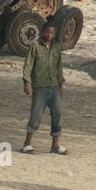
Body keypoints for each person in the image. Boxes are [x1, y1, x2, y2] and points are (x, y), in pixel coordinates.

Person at [21, 22, 67, 155]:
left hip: (54, 86)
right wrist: (27, 82)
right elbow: (28, 65)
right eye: (47, 32)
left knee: (57, 114)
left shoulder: (56, 48)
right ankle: (27, 143)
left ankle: (55, 146)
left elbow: (59, 67)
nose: (49, 35)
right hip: (40, 86)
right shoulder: (35, 47)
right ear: (42, 32)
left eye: (51, 33)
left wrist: (60, 85)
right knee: (36, 114)